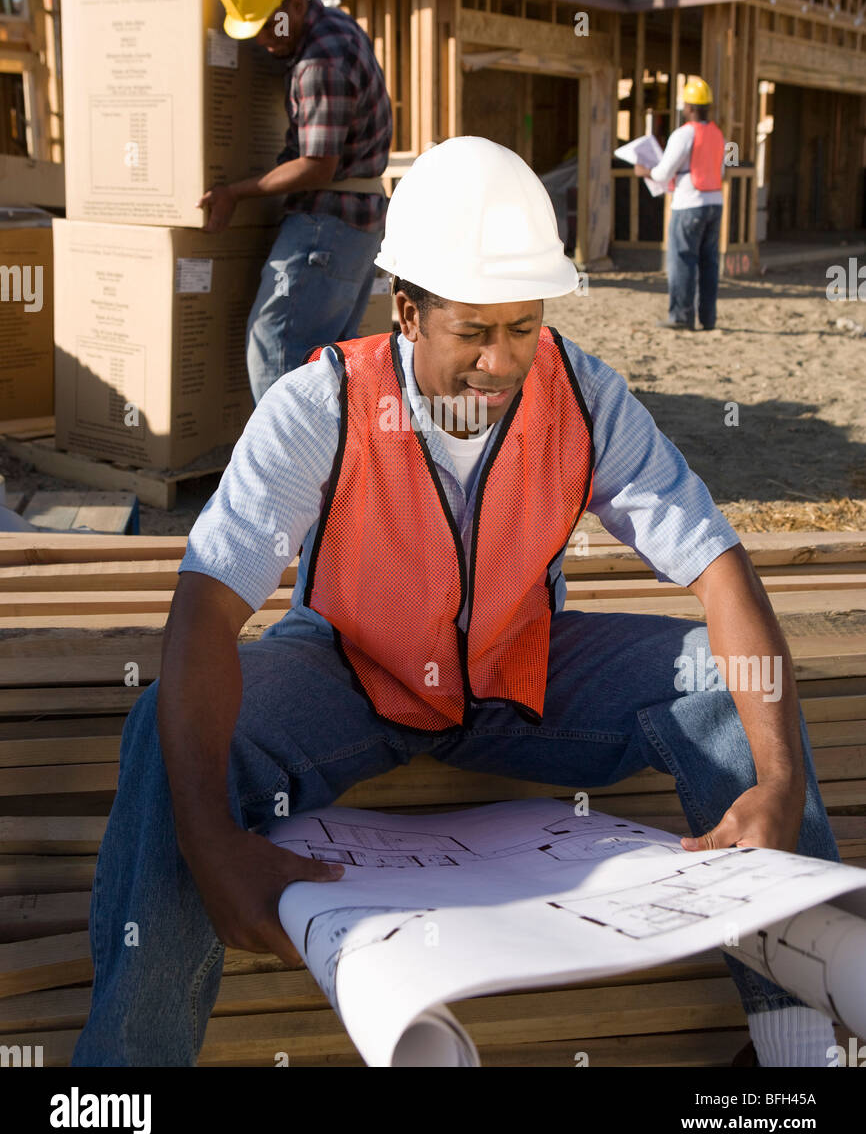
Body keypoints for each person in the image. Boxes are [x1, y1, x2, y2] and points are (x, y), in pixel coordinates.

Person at [72, 137, 839, 1069]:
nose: (501, 360)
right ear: (406, 311)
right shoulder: (323, 405)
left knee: (728, 680)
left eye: (524, 326)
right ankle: (127, 1080)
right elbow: (205, 610)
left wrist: (779, 783)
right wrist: (210, 841)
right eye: (473, 331)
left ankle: (796, 1054)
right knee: (166, 728)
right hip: (347, 676)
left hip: (522, 670)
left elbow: (720, 567)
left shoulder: (585, 394)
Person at [197, 0, 393, 402]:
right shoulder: (334, 28)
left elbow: (316, 164)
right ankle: (331, 470)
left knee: (276, 351)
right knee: (325, 367)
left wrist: (234, 192)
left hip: (328, 228)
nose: (264, 41)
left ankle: (286, 471)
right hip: (354, 227)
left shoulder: (318, 60)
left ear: (297, 3)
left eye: (269, 26)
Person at [634, 76, 725, 331]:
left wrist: (644, 171)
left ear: (689, 107)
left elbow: (663, 173)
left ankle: (681, 317)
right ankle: (708, 319)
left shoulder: (684, 134)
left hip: (688, 204)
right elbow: (722, 172)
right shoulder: (718, 135)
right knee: (709, 262)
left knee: (683, 259)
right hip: (715, 203)